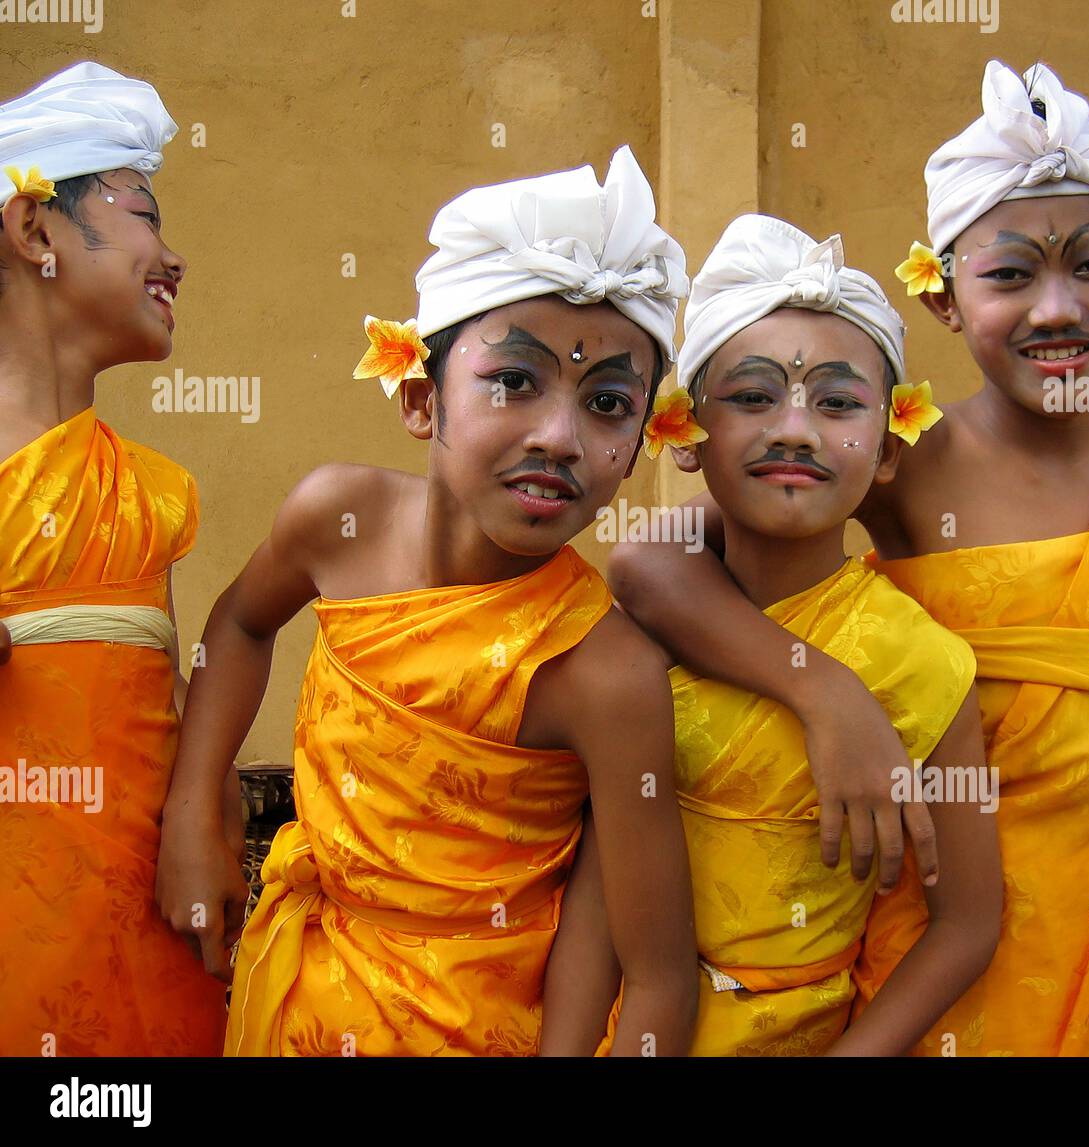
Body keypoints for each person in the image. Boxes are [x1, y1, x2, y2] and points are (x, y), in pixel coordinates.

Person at [606, 62, 1089, 1055]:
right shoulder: (896, 461)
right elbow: (647, 566)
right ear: (942, 296)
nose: (1054, 309)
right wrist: (825, 692)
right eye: (1009, 275)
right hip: (921, 927)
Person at [156, 146, 698, 1057]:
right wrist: (191, 809)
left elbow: (655, 971)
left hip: (478, 1029)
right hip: (294, 993)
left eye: (609, 403)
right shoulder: (338, 520)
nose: (560, 437)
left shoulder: (606, 672)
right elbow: (242, 624)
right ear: (420, 397)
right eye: (514, 381)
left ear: (643, 439)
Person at [548, 215, 1001, 1056]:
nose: (794, 428)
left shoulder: (923, 661)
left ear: (891, 447)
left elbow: (968, 921)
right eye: (753, 397)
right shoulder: (635, 639)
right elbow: (595, 888)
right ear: (684, 431)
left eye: (837, 403)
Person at [0, 61, 237, 1056]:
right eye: (141, 214)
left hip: (143, 948)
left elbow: (167, 719)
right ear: (36, 229)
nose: (171, 256)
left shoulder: (149, 495)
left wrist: (204, 822)